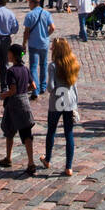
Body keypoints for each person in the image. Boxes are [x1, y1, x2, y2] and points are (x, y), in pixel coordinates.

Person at [40, 38, 79, 176]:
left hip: (57, 100)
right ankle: (68, 166)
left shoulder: (53, 66)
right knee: (69, 133)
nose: (51, 49)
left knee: (51, 130)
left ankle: (48, 159)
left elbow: (50, 87)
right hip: (70, 100)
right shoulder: (73, 63)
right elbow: (74, 86)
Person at [0, 45, 37, 175]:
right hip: (25, 102)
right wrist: (23, 91)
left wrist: (4, 94)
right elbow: (33, 86)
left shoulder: (11, 71)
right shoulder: (25, 69)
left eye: (9, 53)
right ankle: (28, 161)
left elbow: (13, 90)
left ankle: (12, 158)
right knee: (26, 133)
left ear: (14, 56)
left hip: (14, 105)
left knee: (10, 131)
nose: (7, 56)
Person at [21, 0, 55, 92]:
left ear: (32, 3)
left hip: (33, 44)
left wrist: (24, 44)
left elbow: (26, 32)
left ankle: (35, 88)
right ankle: (43, 87)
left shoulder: (29, 15)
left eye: (29, 3)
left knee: (33, 67)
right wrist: (46, 35)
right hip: (44, 43)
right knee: (43, 65)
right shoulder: (46, 13)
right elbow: (53, 27)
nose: (29, 5)